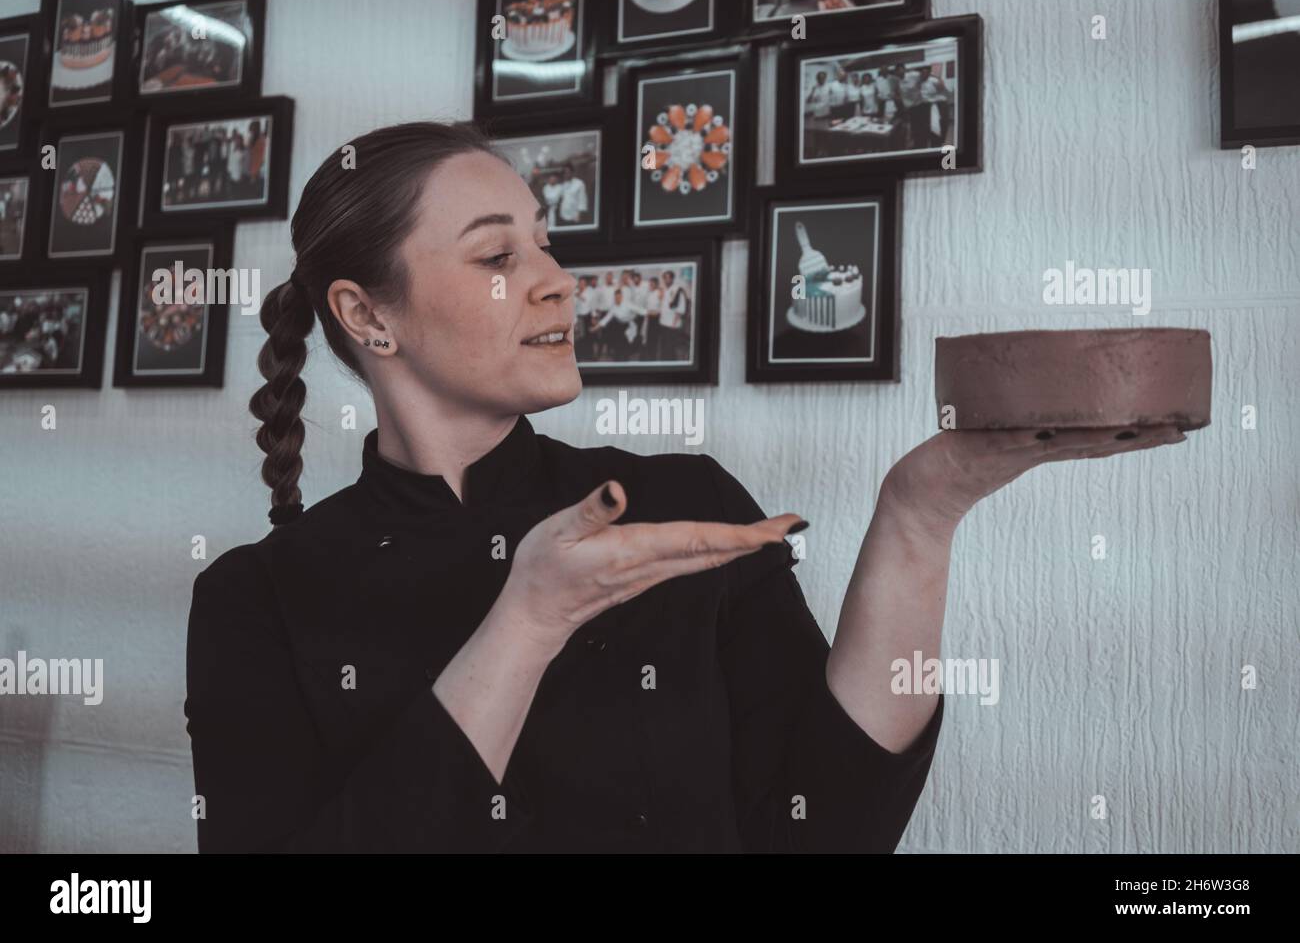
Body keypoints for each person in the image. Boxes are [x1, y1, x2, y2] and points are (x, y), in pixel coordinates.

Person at [183, 120, 1187, 854]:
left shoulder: (680, 498)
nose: (556, 279)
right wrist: (526, 622)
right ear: (366, 313)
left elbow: (826, 823)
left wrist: (921, 511)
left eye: (544, 241)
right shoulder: (256, 597)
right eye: (497, 254)